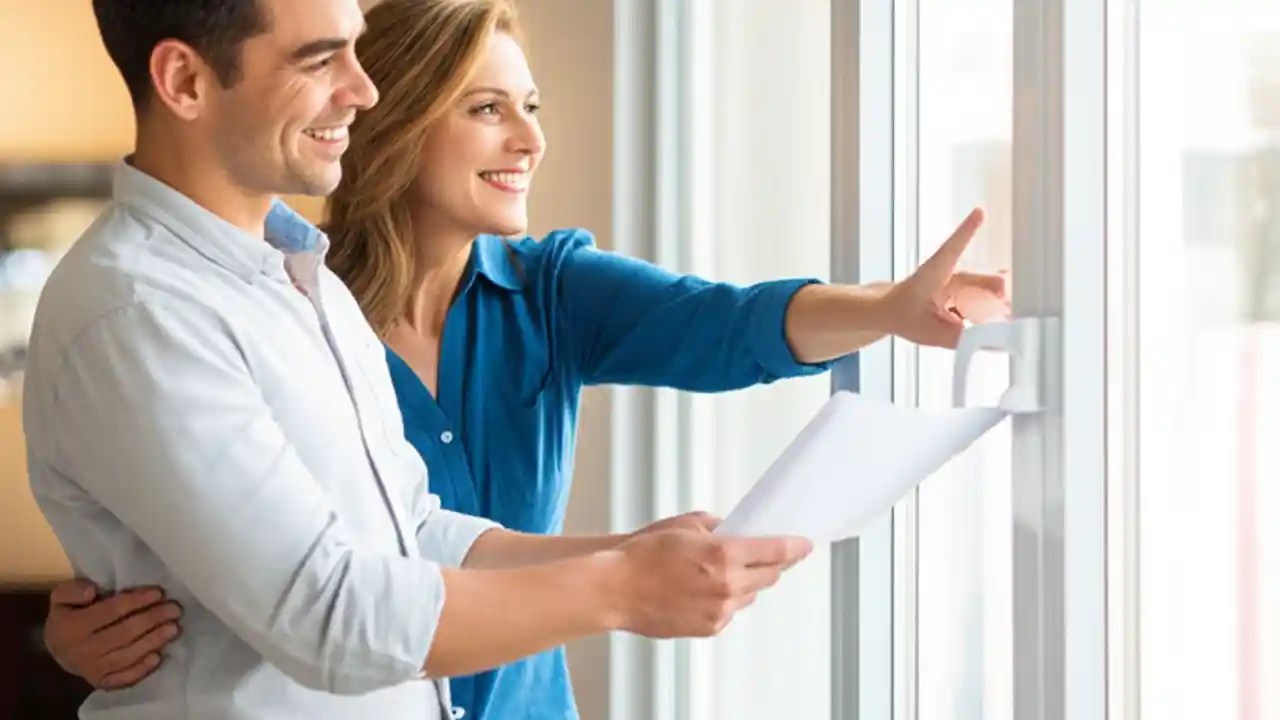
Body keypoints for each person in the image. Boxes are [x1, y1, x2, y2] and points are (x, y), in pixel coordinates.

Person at [41, 0, 1010, 718]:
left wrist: (628, 553)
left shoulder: (304, 284)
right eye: (323, 57)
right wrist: (626, 586)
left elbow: (410, 527)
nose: (362, 89)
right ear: (184, 82)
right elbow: (333, 613)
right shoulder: (141, 313)